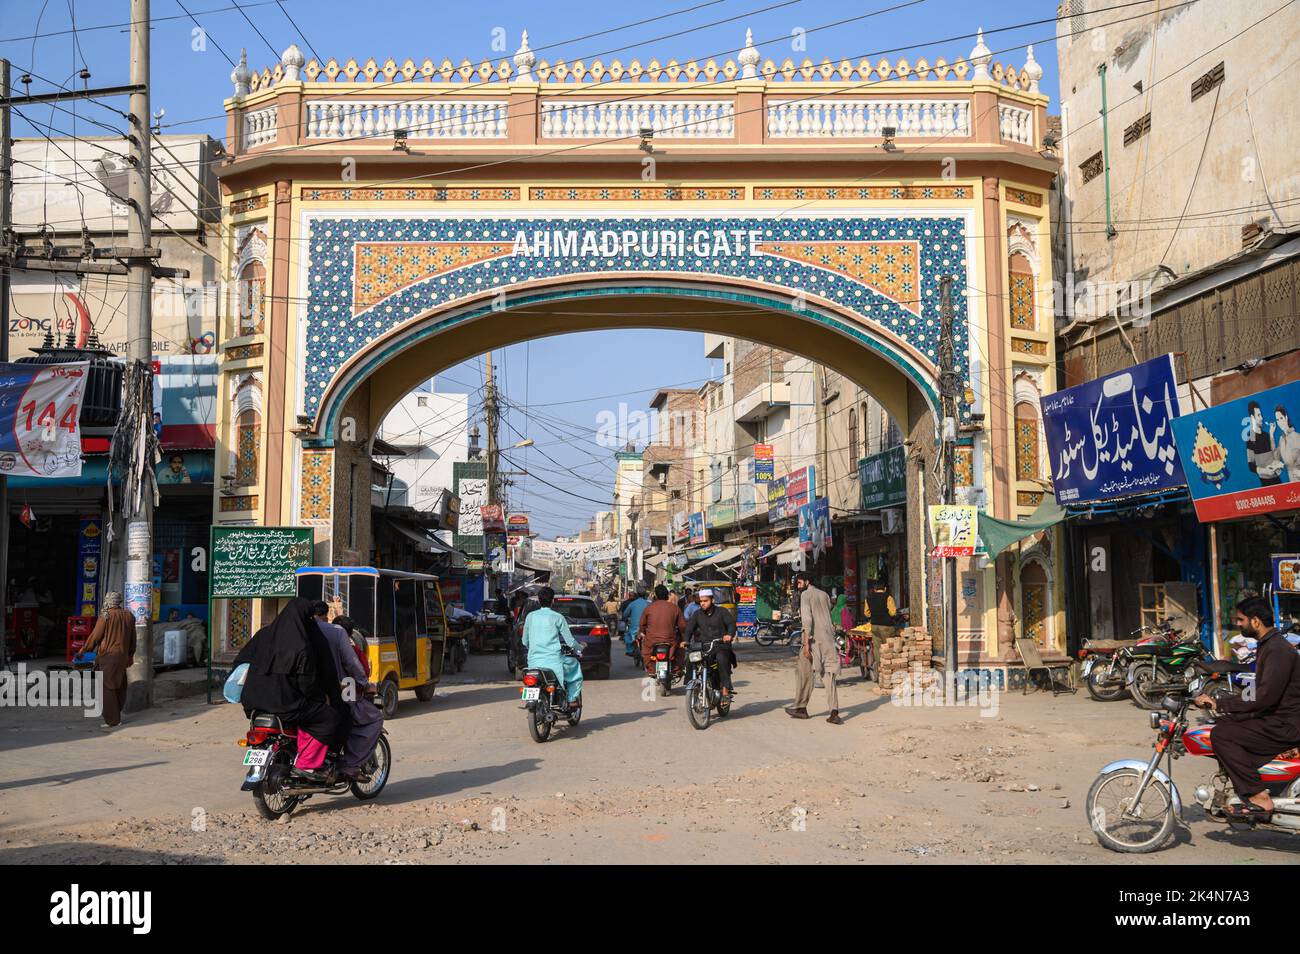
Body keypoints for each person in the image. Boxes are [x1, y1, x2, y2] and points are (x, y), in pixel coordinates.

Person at [1194, 596, 1300, 819]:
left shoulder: (1277, 650)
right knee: (1221, 723)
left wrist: (1221, 703)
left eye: (1241, 620)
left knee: (1222, 735)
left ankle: (1259, 797)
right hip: (1277, 718)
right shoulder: (1268, 646)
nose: (1239, 624)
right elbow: (1260, 691)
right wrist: (1228, 707)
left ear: (1256, 621)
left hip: (1285, 724)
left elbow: (1264, 697)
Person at [233, 596, 344, 782]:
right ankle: (307, 764)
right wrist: (322, 698)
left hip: (253, 704)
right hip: (286, 705)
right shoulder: (302, 644)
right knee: (328, 717)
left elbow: (240, 664)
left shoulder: (263, 635)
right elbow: (306, 684)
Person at [310, 604, 382, 781]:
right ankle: (349, 765)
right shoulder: (338, 636)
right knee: (370, 719)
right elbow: (357, 668)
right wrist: (366, 685)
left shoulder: (290, 632)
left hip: (303, 693)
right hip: (339, 695)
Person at [787, 571, 841, 724]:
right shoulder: (824, 594)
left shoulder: (806, 595)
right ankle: (834, 712)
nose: (798, 586)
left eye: (799, 583)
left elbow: (807, 621)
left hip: (814, 641)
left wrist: (805, 645)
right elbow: (829, 614)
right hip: (829, 639)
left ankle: (801, 708)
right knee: (829, 676)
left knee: (804, 672)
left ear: (807, 582)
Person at [80, 592, 136, 729]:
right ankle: (117, 711)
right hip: (122, 656)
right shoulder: (129, 616)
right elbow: (132, 639)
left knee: (107, 688)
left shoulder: (105, 616)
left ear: (108, 601)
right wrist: (130, 655)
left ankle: (113, 720)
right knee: (120, 684)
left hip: (108, 656)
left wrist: (84, 650)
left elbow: (95, 636)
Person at [521, 587, 583, 709]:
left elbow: (524, 641)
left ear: (539, 601)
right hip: (554, 661)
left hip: (533, 662)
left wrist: (533, 648)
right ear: (552, 601)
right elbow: (570, 642)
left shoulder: (530, 616)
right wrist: (580, 647)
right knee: (575, 667)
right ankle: (571, 699)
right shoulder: (558, 617)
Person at [681, 588, 737, 697]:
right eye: (701, 601)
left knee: (721, 659)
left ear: (712, 600)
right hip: (704, 646)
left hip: (720, 645)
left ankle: (725, 687)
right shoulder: (697, 614)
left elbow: (731, 624)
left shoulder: (722, 612)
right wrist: (686, 640)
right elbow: (689, 629)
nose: (703, 603)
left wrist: (729, 635)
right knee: (690, 658)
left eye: (705, 601)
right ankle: (690, 683)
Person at [640, 584, 686, 678]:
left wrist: (644, 632)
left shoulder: (649, 608)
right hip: (670, 640)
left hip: (652, 640)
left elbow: (642, 625)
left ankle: (651, 670)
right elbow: (682, 626)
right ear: (667, 595)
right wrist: (683, 637)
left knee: (645, 650)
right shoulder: (675, 608)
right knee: (680, 650)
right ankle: (676, 670)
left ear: (655, 596)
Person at [1246, 400, 1283, 486]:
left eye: (1261, 414)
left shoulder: (1266, 435)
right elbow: (1251, 465)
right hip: (1266, 483)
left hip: (1277, 479)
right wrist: (1265, 471)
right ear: (1252, 417)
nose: (1262, 418)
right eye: (1258, 415)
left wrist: (1271, 434)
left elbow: (1274, 455)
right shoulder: (1250, 437)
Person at [622, 588, 650, 659]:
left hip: (634, 628)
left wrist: (625, 618)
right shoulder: (648, 604)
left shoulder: (632, 604)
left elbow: (625, 614)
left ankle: (630, 650)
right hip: (646, 628)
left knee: (627, 635)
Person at [1274, 405, 1300, 481]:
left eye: (1281, 418)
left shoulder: (1297, 437)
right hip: (1291, 481)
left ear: (1286, 417)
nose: (1280, 422)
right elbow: (1277, 457)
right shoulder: (1281, 439)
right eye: (1277, 420)